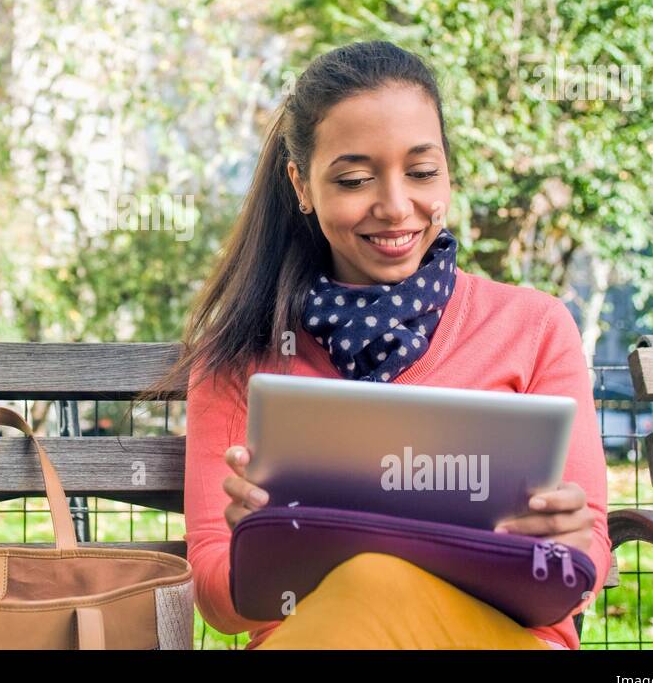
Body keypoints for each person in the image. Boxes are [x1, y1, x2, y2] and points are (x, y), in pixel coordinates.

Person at [155, 40, 612, 649]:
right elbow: (218, 599)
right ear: (303, 185)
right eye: (354, 179)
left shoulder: (534, 327)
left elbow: (589, 563)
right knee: (367, 585)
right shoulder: (239, 357)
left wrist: (571, 545)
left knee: (375, 578)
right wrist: (255, 548)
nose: (396, 207)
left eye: (422, 172)